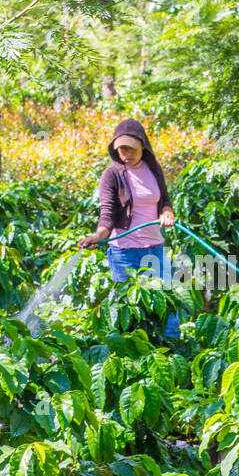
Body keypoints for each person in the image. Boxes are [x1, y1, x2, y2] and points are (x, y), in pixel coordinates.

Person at [78, 118, 181, 338]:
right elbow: (106, 215)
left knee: (169, 316)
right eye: (122, 149)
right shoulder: (112, 175)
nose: (127, 154)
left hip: (155, 251)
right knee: (130, 318)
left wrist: (166, 212)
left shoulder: (153, 169)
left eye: (132, 149)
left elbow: (164, 200)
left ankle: (175, 361)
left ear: (143, 146)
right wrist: (98, 236)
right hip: (124, 253)